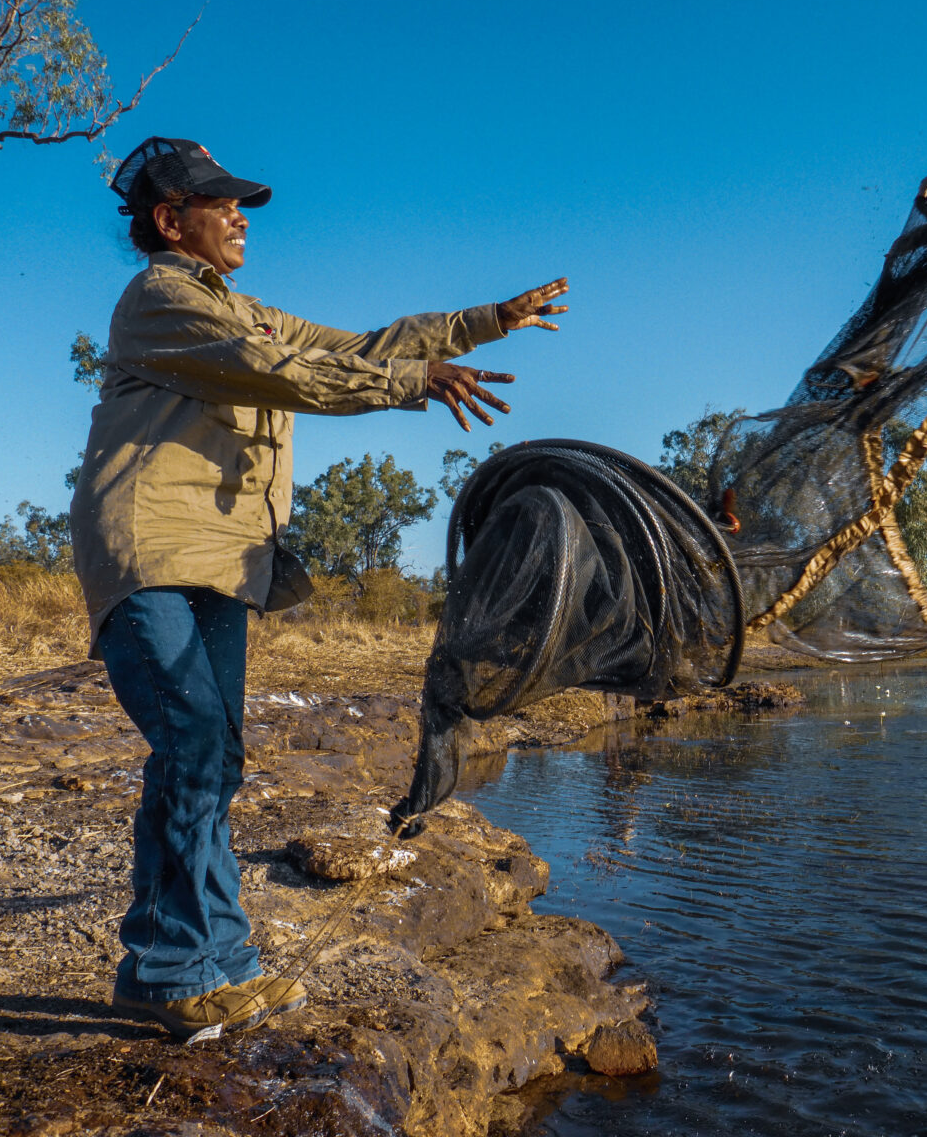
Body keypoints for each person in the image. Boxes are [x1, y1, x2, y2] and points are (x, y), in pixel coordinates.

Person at [69, 137, 567, 1040]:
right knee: (192, 747)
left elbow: (359, 345)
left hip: (224, 562)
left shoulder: (242, 309)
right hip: (149, 557)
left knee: (209, 759)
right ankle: (176, 972)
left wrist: (482, 320)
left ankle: (198, 961)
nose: (240, 214)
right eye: (219, 202)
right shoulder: (161, 299)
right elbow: (288, 372)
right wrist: (412, 381)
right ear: (168, 219)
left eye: (242, 202)